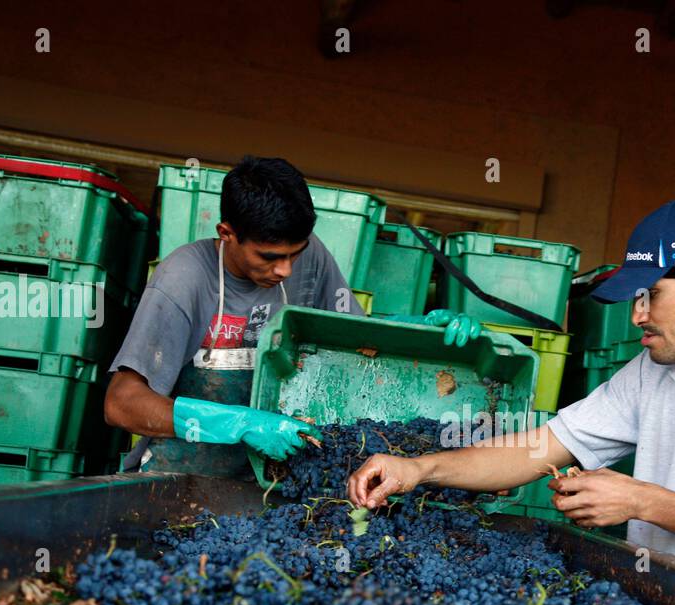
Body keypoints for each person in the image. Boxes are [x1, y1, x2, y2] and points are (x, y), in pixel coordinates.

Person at [346, 196, 675, 594]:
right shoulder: (651, 371)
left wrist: (639, 500)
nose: (638, 315)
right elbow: (541, 447)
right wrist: (420, 469)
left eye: (652, 296)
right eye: (635, 299)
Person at [104, 155, 482, 477]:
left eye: (294, 254)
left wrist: (418, 329)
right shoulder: (184, 278)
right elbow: (122, 404)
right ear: (227, 233)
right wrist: (240, 423)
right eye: (269, 257)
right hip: (183, 476)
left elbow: (355, 340)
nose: (285, 270)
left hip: (270, 481)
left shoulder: (311, 256)